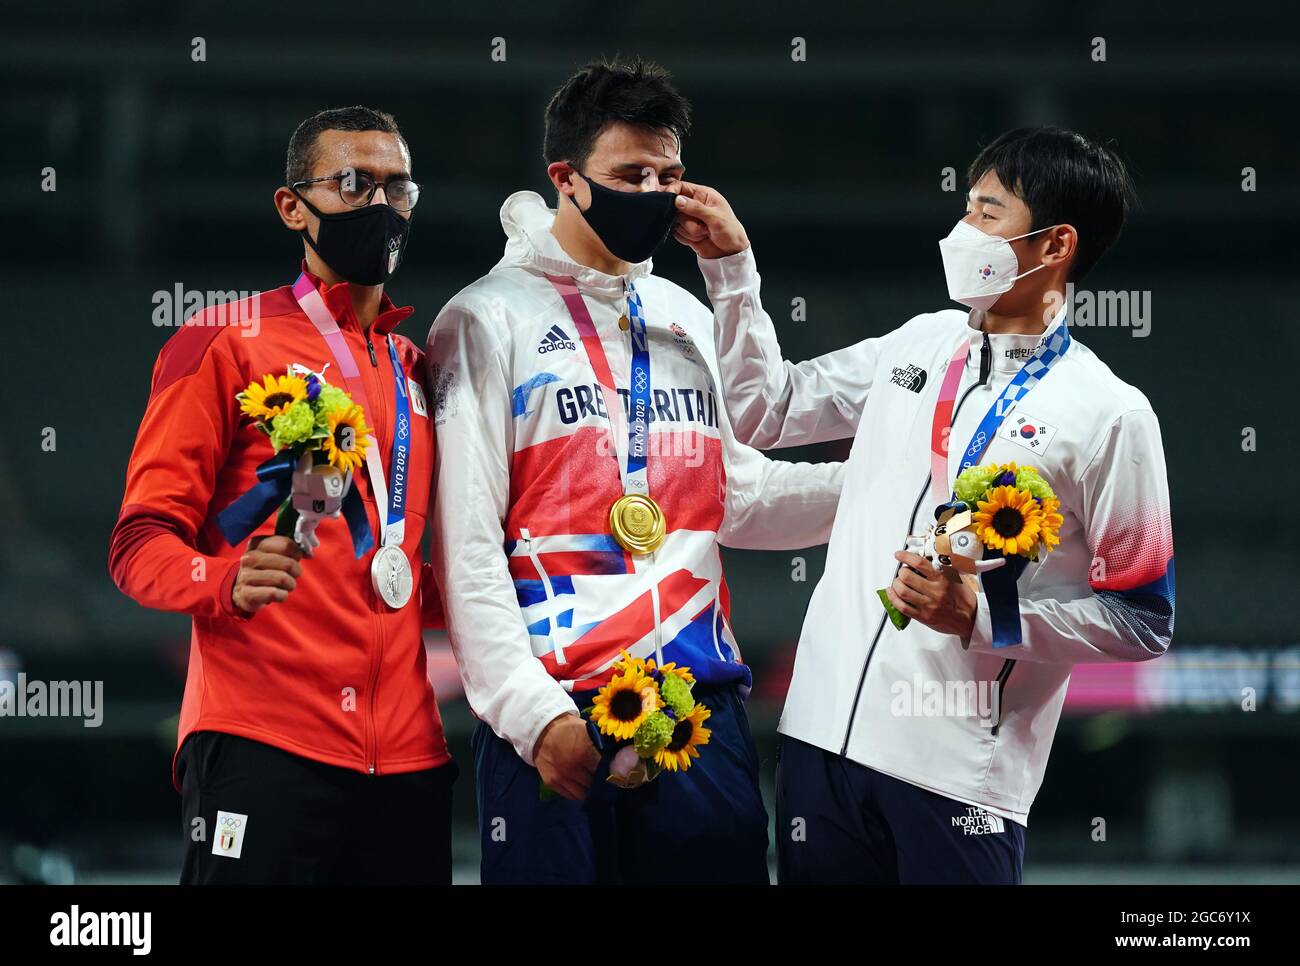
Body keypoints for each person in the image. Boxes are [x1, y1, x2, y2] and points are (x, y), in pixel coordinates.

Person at [676, 125, 1175, 883]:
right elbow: (764, 412)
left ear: (1054, 245)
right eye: (967, 206)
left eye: (987, 211)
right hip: (818, 745)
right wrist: (729, 269)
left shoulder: (1110, 414)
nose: (962, 230)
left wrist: (985, 614)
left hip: (959, 779)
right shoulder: (918, 344)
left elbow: (1144, 618)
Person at [426, 59, 843, 884]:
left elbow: (739, 494)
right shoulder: (486, 318)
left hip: (701, 706)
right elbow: (466, 544)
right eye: (630, 174)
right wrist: (534, 716)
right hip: (556, 708)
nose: (653, 191)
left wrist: (894, 482)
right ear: (566, 179)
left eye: (670, 175)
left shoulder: (687, 316)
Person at [109, 106, 455, 884]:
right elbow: (138, 544)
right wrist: (222, 578)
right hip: (265, 742)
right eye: (352, 183)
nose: (379, 206)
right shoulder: (222, 341)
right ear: (292, 205)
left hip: (408, 757)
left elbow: (403, 570)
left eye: (398, 188)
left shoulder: (419, 371)